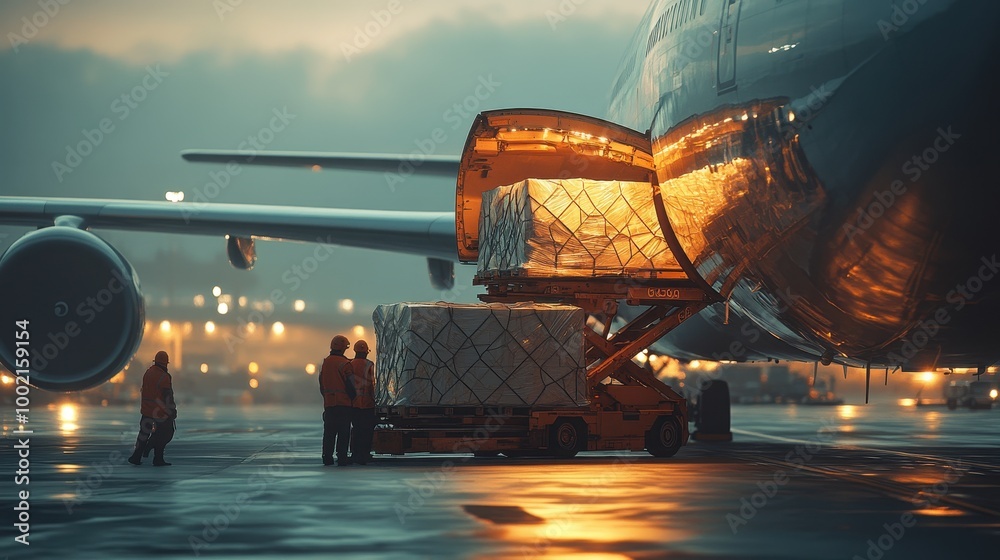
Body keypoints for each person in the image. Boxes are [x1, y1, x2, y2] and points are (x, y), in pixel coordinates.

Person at [128, 350, 177, 466]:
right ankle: (157, 458)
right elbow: (167, 397)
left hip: (146, 410)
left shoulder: (148, 373)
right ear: (165, 363)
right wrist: (172, 411)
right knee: (164, 434)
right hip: (159, 412)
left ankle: (136, 456)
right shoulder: (164, 377)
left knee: (143, 434)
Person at [320, 335, 354, 466]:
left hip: (329, 405)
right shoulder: (345, 364)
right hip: (343, 404)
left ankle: (327, 457)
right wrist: (353, 398)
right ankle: (342, 457)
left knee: (329, 432)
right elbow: (351, 385)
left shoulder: (325, 363)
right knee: (343, 432)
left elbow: (321, 384)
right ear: (343, 348)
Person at [346, 339, 377, 465]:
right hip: (367, 404)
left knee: (356, 430)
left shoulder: (349, 364)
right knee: (367, 431)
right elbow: (372, 384)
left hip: (353, 404)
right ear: (366, 352)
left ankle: (354, 453)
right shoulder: (369, 365)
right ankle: (364, 454)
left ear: (354, 350)